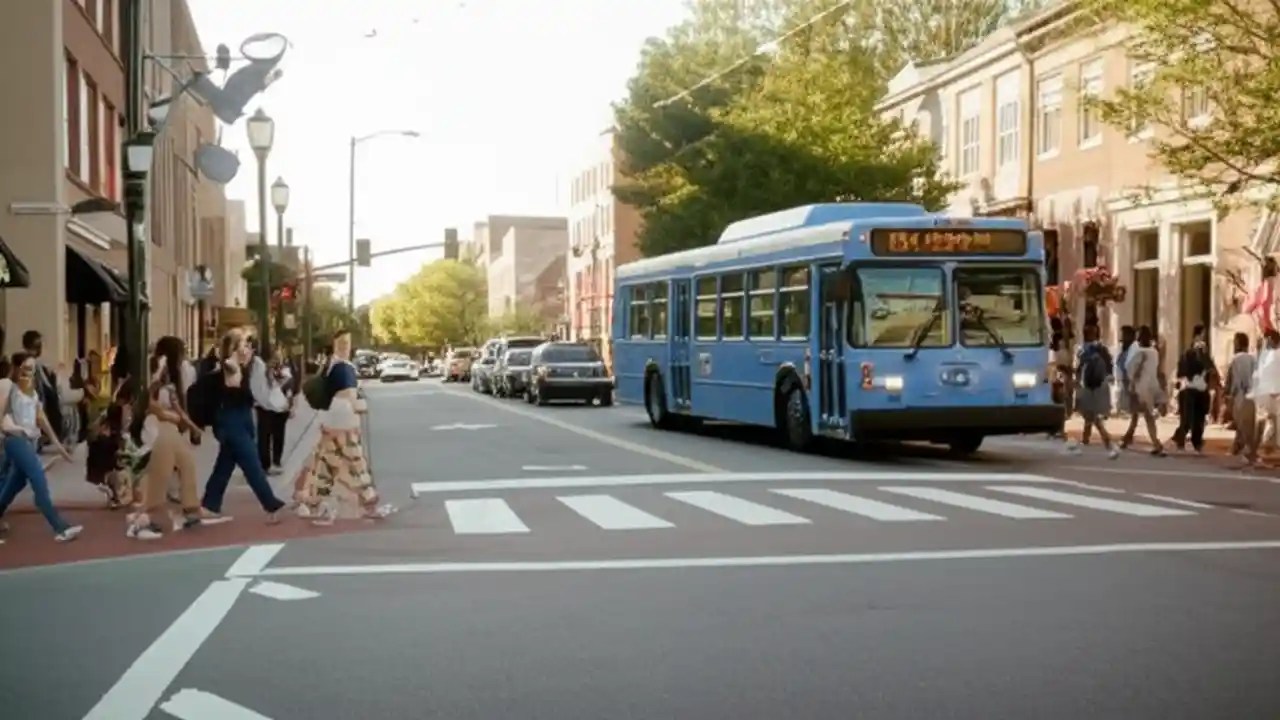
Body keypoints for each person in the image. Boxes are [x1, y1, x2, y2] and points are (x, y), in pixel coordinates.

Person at [295, 329, 392, 524]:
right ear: (334, 344)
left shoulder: (331, 365)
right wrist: (360, 406)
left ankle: (316, 503)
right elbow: (348, 395)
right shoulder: (344, 368)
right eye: (341, 343)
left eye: (347, 343)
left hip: (331, 421)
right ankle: (368, 502)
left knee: (328, 464)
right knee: (355, 463)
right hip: (344, 422)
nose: (345, 347)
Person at [199, 330, 287, 524]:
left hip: (243, 418)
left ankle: (209, 504)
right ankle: (271, 504)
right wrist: (244, 365)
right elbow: (236, 385)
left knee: (225, 463)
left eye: (248, 345)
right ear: (233, 348)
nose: (248, 349)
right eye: (243, 345)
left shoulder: (248, 366)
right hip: (230, 421)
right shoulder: (229, 366)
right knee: (251, 463)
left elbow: (259, 392)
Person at [0, 352, 82, 542]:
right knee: (38, 479)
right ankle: (60, 527)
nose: (31, 372)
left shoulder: (33, 394)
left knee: (14, 484)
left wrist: (61, 448)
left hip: (28, 442)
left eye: (33, 368)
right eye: (27, 368)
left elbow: (43, 421)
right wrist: (18, 429)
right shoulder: (8, 387)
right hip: (15, 441)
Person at [127, 337, 202, 540]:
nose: (183, 358)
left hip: (168, 429)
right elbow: (150, 404)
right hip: (156, 430)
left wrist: (194, 428)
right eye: (181, 353)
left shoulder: (172, 384)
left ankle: (188, 508)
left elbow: (180, 412)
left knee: (185, 464)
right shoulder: (157, 378)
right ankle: (143, 518)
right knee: (159, 475)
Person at [1069, 325, 1120, 459]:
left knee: (1091, 414)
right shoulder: (1102, 349)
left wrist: (1076, 382)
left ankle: (1106, 440)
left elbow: (1078, 368)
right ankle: (1087, 438)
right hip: (1100, 385)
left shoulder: (1082, 350)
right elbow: (1110, 366)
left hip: (1087, 385)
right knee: (1091, 414)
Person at [1120, 325, 1166, 456]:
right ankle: (1127, 439)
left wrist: (1131, 384)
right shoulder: (1154, 352)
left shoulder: (1140, 353)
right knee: (1138, 415)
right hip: (1151, 386)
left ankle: (1156, 443)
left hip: (1139, 387)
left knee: (1146, 416)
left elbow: (1132, 370)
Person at [1171, 325, 1214, 452]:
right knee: (1187, 418)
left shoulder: (1204, 353)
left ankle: (1197, 442)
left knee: (1199, 418)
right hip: (1189, 388)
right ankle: (1180, 438)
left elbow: (1210, 368)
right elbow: (1183, 371)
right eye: (1202, 334)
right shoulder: (1189, 353)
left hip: (1201, 389)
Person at [251, 343, 290, 476]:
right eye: (275, 357)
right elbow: (261, 388)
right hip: (265, 406)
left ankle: (276, 461)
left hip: (280, 406)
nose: (278, 360)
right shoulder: (259, 367)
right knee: (264, 436)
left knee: (278, 435)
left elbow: (287, 386)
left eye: (279, 357)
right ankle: (265, 464)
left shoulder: (283, 369)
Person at [1225, 332, 1259, 467]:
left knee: (1242, 424)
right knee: (1248, 424)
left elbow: (1231, 379)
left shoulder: (1236, 359)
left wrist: (1228, 395)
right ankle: (1238, 447)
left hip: (1240, 394)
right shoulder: (1253, 359)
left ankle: (1249, 452)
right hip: (1252, 394)